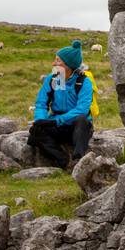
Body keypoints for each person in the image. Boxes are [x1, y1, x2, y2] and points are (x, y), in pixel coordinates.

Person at [28, 40, 94, 169]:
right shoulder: (54, 78)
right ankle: (63, 160)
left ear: (68, 66)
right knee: (35, 132)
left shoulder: (83, 82)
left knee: (81, 120)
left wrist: (56, 121)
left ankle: (79, 160)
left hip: (77, 127)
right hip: (57, 125)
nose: (53, 63)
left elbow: (82, 110)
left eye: (58, 61)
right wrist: (40, 120)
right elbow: (41, 103)